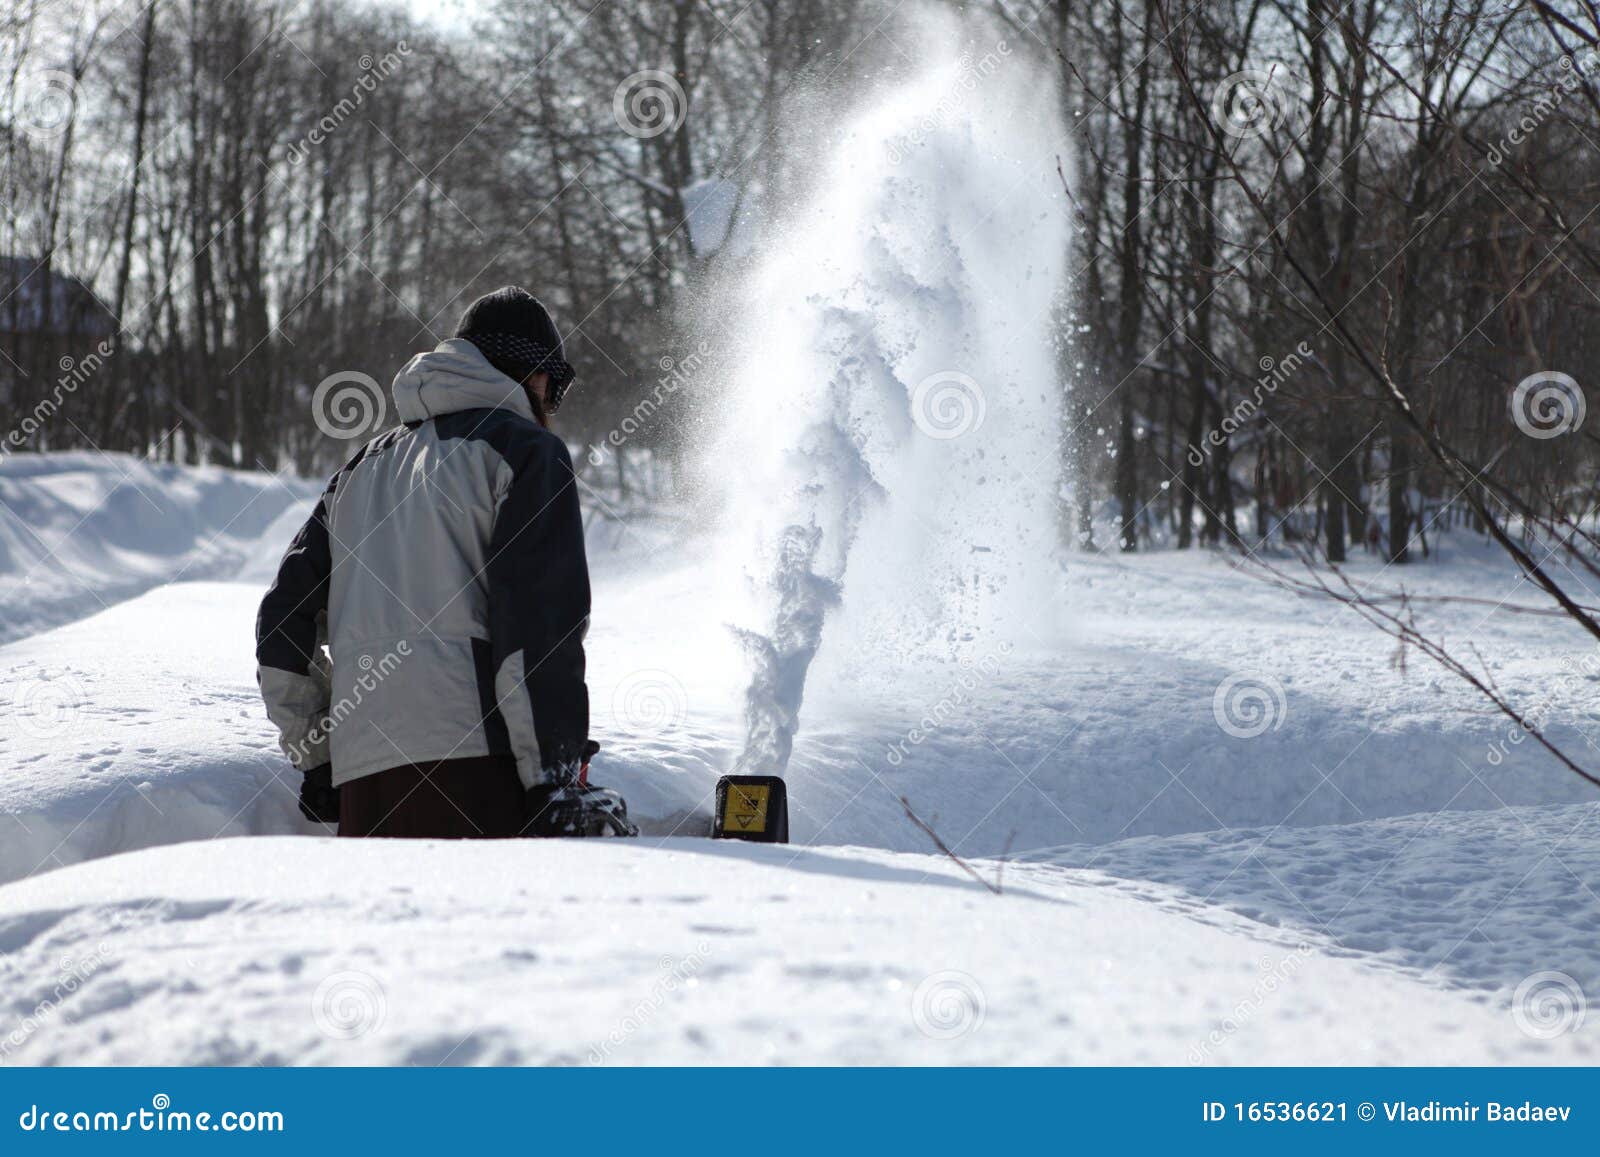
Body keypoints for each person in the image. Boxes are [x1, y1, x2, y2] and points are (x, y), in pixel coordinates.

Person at [255, 286, 635, 838]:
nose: (550, 410)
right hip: (483, 775)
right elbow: (537, 625)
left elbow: (281, 626)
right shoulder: (526, 452)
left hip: (365, 788)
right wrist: (552, 775)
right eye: (554, 392)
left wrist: (318, 756)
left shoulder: (357, 473)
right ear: (533, 376)